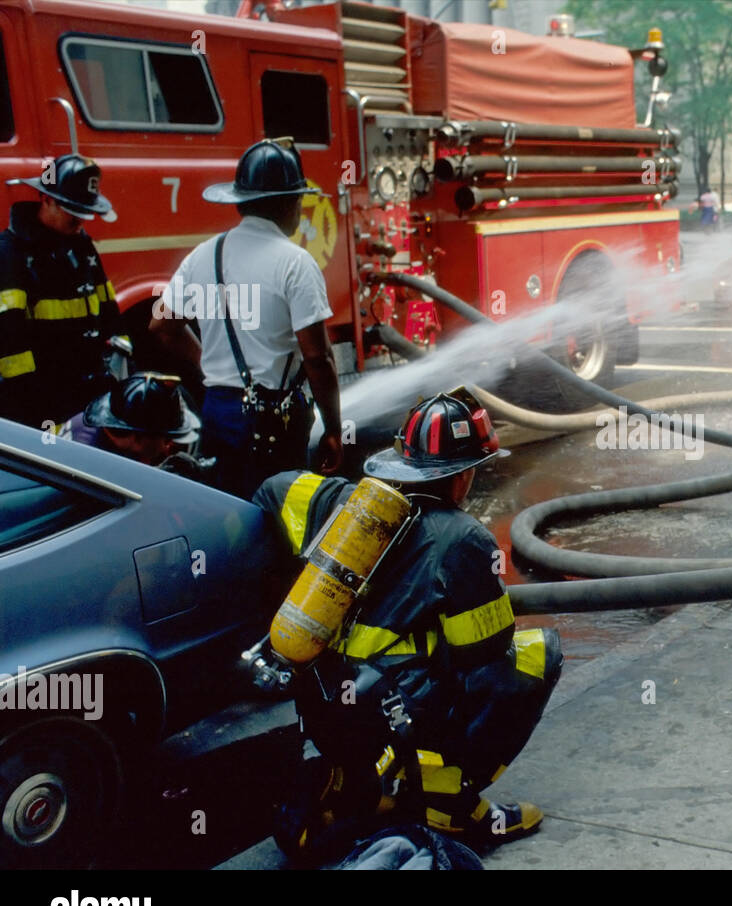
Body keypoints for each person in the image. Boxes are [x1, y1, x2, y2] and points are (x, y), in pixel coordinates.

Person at [254, 389, 563, 863]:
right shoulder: (463, 539)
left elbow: (272, 490)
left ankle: (359, 782)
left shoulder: (343, 501)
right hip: (391, 717)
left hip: (323, 704)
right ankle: (450, 806)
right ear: (461, 476)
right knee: (535, 657)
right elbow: (486, 662)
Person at [150, 139, 342, 499]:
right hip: (275, 420)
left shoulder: (201, 255)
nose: (301, 210)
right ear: (287, 203)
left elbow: (161, 325)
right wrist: (333, 428)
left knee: (225, 508)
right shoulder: (295, 262)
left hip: (218, 409)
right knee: (276, 513)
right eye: (300, 201)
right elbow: (318, 357)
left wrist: (209, 366)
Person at [0, 154, 133, 430]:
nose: (80, 222)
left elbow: (108, 310)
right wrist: (28, 411)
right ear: (47, 199)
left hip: (87, 395)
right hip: (37, 404)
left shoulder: (81, 246)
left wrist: (120, 359)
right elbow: (9, 343)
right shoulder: (10, 254)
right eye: (73, 213)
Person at [69, 371, 199, 467]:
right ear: (137, 438)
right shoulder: (93, 461)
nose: (167, 448)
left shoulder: (111, 426)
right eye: (167, 439)